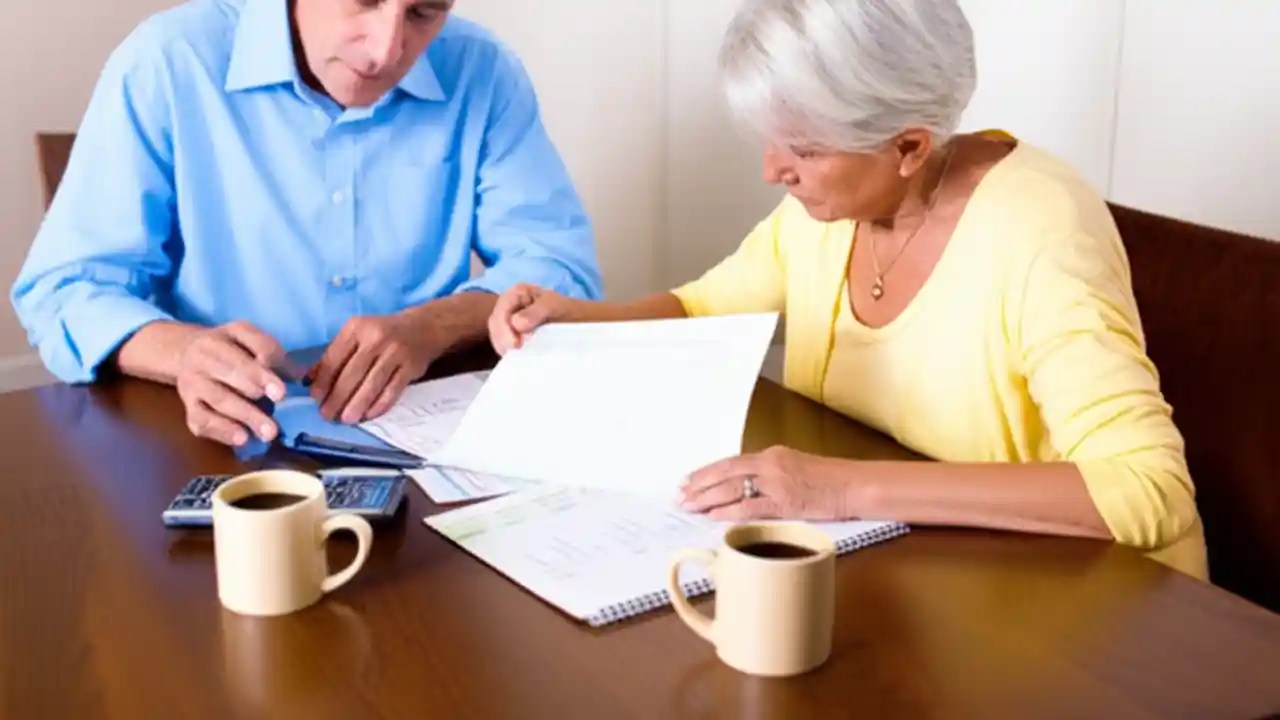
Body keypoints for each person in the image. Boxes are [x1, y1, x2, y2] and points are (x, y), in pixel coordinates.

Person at [487, 0, 1206, 577]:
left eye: (803, 149)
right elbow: (705, 307)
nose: (774, 170)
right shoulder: (836, 207)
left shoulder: (1041, 232)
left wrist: (839, 488)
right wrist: (576, 320)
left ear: (908, 147)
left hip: (1090, 614)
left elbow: (1146, 489)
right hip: (915, 576)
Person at [11, 0, 601, 448]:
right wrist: (182, 351)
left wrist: (433, 325)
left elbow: (560, 270)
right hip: (212, 442)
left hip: (422, 437)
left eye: (424, 10)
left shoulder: (485, 71)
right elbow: (66, 288)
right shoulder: (168, 61)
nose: (386, 48)